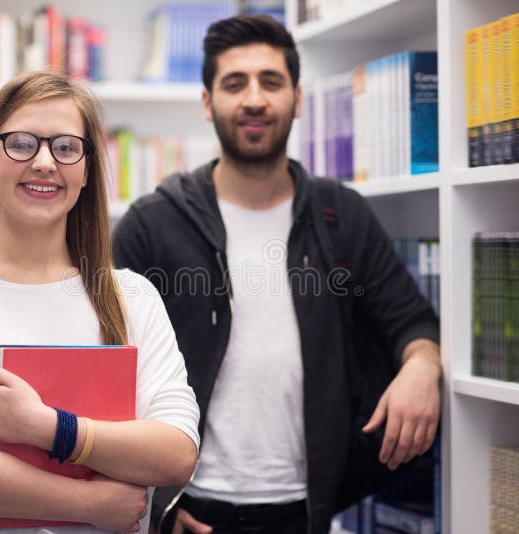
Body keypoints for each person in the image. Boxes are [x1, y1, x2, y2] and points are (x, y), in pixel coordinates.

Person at [112, 14, 442, 534]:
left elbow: (411, 320)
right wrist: (157, 507)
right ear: (207, 102)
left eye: (271, 81)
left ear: (297, 99)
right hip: (191, 509)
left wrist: (423, 368)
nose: (254, 99)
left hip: (308, 510)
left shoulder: (342, 214)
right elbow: (105, 368)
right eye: (234, 83)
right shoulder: (153, 223)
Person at [0, 70, 200, 534]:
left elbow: (176, 452)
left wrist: (49, 428)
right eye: (22, 143)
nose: (45, 162)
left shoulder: (132, 297)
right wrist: (87, 503)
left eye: (66, 147)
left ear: (87, 169)